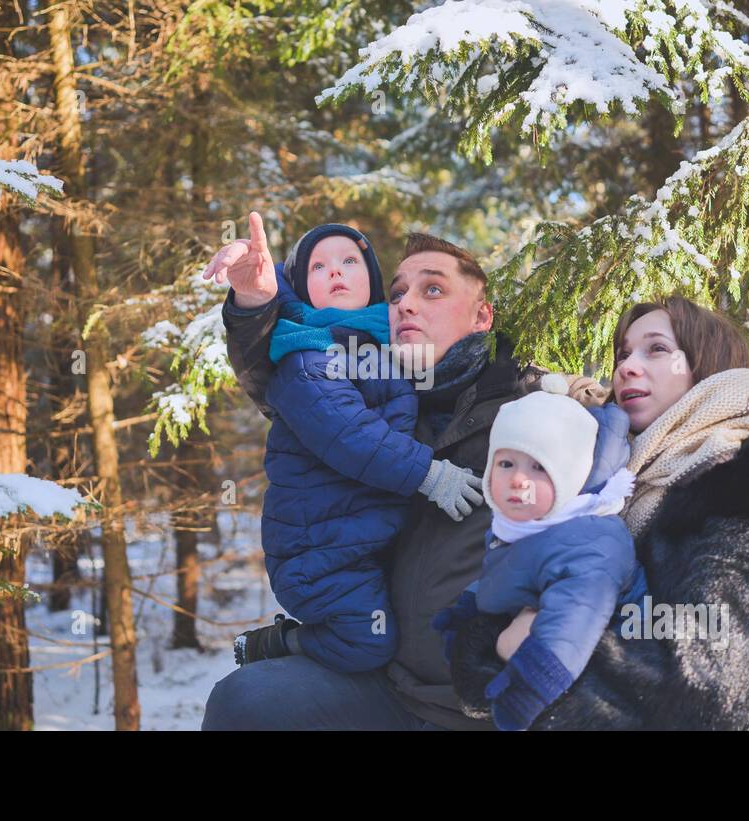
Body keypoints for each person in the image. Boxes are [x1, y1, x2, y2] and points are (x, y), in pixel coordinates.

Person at [200, 212, 604, 729]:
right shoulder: (378, 392)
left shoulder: (530, 411)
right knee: (246, 701)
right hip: (388, 685)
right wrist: (256, 304)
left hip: (491, 700)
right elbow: (301, 388)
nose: (407, 303)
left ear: (482, 317)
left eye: (432, 290)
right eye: (395, 294)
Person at [445, 296, 749, 730]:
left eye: (657, 349)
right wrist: (491, 642)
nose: (626, 367)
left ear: (707, 367)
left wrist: (530, 654)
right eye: (623, 354)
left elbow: (706, 692)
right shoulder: (610, 489)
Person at [231, 223, 484, 673]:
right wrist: (429, 473)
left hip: (362, 539)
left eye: (350, 261)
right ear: (301, 287)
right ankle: (279, 644)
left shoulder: (385, 345)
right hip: (320, 549)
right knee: (369, 640)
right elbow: (349, 434)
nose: (336, 272)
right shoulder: (303, 354)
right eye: (318, 265)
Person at [432, 378, 644, 730]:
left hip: (594, 692)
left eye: (539, 467)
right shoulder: (520, 529)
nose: (518, 480)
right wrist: (464, 616)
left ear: (570, 476)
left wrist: (524, 697)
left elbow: (572, 625)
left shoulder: (590, 540)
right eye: (506, 464)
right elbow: (503, 580)